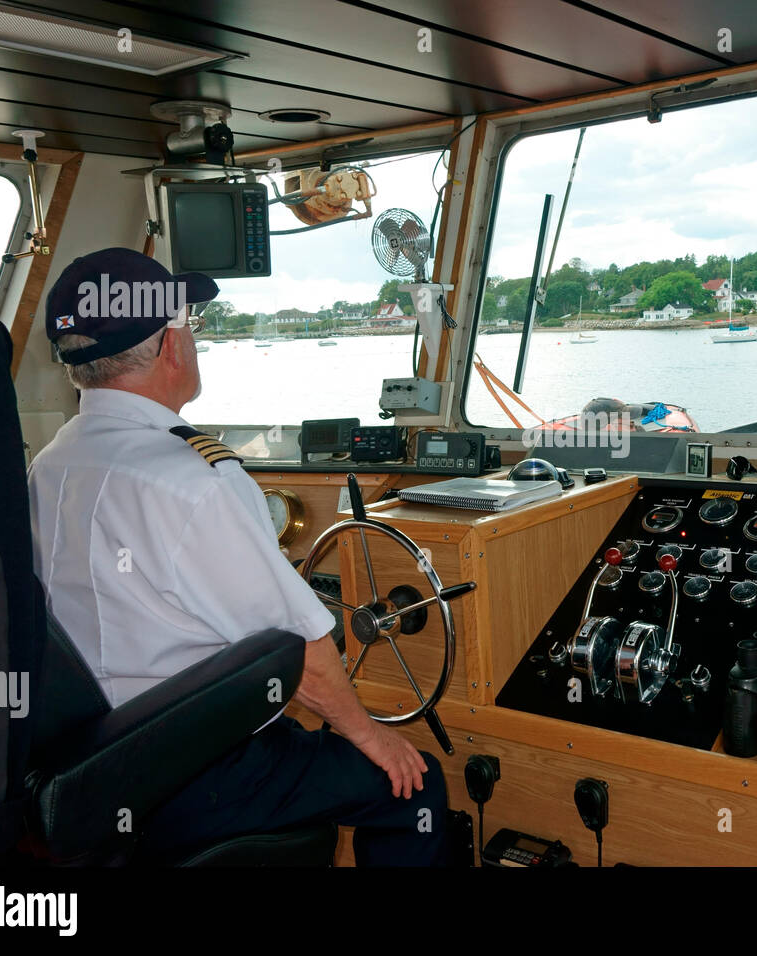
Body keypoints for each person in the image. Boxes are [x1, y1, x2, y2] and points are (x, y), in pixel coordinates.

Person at [27, 248, 448, 866]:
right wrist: (372, 737)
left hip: (86, 766)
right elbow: (300, 650)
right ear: (171, 345)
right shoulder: (197, 480)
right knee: (413, 785)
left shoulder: (50, 463)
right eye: (189, 325)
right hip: (193, 775)